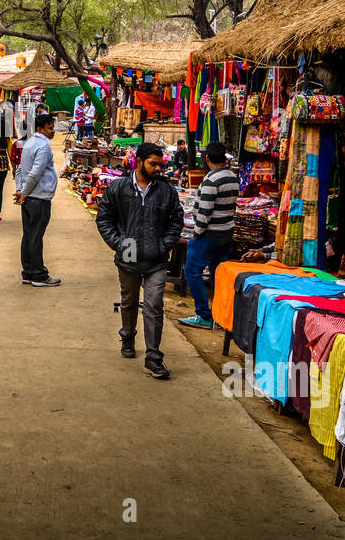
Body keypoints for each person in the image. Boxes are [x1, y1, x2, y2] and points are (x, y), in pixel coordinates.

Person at [95, 141, 184, 379]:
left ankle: (154, 357)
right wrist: (119, 243)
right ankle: (127, 336)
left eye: (160, 164)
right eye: (153, 164)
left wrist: (164, 245)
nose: (158, 168)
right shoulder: (119, 188)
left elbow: (177, 220)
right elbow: (103, 218)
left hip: (156, 258)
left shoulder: (166, 190)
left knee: (154, 305)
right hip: (129, 253)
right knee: (129, 300)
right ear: (139, 162)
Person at [178, 142, 240, 328]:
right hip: (226, 232)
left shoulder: (211, 181)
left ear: (207, 159)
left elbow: (204, 213)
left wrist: (195, 235)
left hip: (210, 234)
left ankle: (204, 315)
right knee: (217, 273)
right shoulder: (232, 177)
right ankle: (220, 315)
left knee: (192, 272)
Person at [14, 112, 60, 286]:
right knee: (35, 237)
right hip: (37, 198)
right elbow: (35, 173)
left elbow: (20, 169)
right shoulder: (43, 147)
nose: (53, 131)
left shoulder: (29, 143)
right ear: (40, 129)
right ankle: (39, 275)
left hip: (29, 197)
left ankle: (28, 272)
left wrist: (21, 191)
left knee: (28, 235)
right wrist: (23, 193)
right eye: (50, 128)